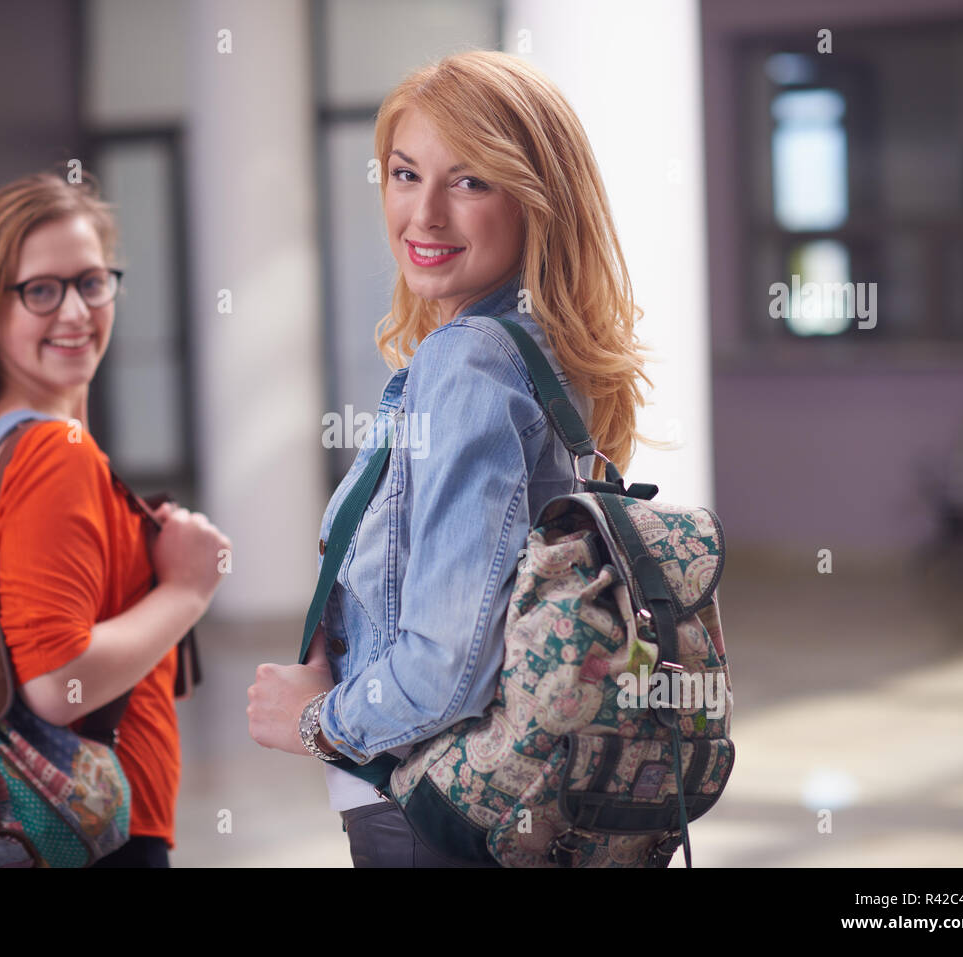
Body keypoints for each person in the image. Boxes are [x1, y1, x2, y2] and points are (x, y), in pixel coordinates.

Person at [246, 50, 656, 867]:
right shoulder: (552, 355)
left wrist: (314, 719)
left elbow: (446, 668)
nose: (423, 214)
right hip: (540, 814)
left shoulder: (471, 362)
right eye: (404, 174)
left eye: (470, 182)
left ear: (537, 201)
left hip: (432, 821)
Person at [0, 171, 230, 867]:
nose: (76, 310)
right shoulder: (54, 452)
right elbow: (57, 681)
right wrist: (188, 587)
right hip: (93, 830)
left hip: (37, 829)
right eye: (41, 290)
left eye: (92, 281)